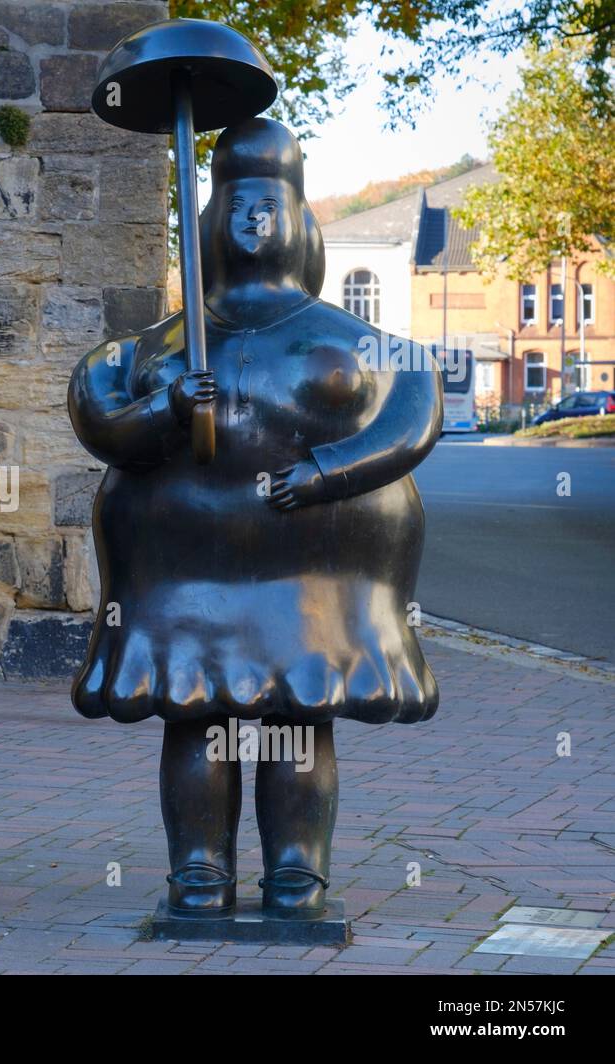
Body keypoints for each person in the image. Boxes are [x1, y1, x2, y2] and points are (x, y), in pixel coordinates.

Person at [67, 118, 442, 917]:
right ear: (210, 219)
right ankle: (197, 872)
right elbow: (103, 421)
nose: (253, 217)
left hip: (312, 578)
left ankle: (296, 871)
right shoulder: (158, 349)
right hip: (188, 580)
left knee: (297, 722)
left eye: (270, 200)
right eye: (235, 200)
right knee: (197, 719)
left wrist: (325, 473)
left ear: (301, 220)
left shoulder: (361, 343)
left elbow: (413, 419)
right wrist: (166, 406)